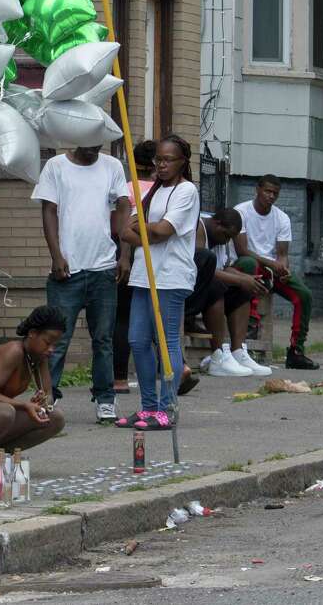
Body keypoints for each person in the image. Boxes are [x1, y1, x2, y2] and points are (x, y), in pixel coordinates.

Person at [32, 144, 128, 422]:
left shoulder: (112, 166)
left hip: (103, 267)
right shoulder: (56, 166)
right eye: (89, 139)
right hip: (68, 269)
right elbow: (49, 210)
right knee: (56, 340)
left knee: (103, 340)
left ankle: (105, 398)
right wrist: (56, 255)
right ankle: (48, 397)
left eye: (99, 140)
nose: (94, 145)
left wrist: (125, 253)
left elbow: (123, 208)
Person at [118, 134, 199, 431]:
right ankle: (148, 407)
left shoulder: (186, 191)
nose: (162, 165)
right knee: (137, 341)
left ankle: (168, 408)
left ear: (182, 162)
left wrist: (146, 230)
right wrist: (148, 231)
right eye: (158, 160)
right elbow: (125, 231)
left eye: (168, 160)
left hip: (171, 276)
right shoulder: (152, 193)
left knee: (166, 342)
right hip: (143, 275)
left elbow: (165, 230)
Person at [234, 175, 316, 369]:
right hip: (247, 266)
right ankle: (250, 330)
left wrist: (283, 268)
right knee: (248, 263)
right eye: (267, 191)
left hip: (271, 270)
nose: (271, 196)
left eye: (275, 193)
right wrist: (272, 263)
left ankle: (296, 351)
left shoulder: (282, 218)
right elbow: (242, 250)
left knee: (304, 295)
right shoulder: (241, 212)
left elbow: (282, 254)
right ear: (257, 189)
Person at [192, 208, 271, 376]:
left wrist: (247, 279)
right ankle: (217, 356)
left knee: (242, 291)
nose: (227, 240)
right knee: (217, 286)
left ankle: (237, 352)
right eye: (226, 235)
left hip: (206, 291)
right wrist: (240, 279)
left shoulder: (221, 239)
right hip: (189, 290)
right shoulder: (198, 229)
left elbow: (225, 267)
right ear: (217, 223)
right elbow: (203, 270)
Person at [0, 306, 66, 453]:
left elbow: (49, 393)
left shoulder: (39, 357)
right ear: (32, 333)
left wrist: (43, 402)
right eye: (48, 342)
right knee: (5, 413)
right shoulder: (14, 351)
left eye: (55, 345)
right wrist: (25, 405)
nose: (51, 349)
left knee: (56, 418)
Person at [113, 140, 156, 394]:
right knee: (159, 314)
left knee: (123, 317)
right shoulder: (164, 191)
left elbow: (118, 228)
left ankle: (119, 378)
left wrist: (124, 256)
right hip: (158, 254)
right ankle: (173, 368)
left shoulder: (125, 190)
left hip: (127, 253)